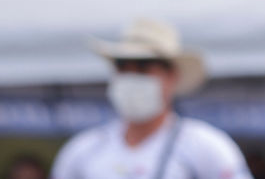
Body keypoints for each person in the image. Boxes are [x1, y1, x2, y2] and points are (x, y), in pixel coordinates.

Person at [50, 18, 252, 179]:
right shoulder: (83, 150)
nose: (131, 77)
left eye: (143, 68)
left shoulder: (205, 148)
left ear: (172, 76)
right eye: (122, 67)